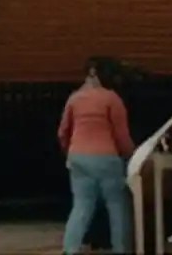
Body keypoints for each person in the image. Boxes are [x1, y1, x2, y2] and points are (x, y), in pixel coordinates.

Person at [58, 59, 136, 255]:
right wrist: (131, 156)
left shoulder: (74, 99)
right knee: (117, 205)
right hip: (107, 159)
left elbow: (63, 132)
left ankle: (70, 249)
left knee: (82, 205)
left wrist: (69, 152)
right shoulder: (112, 99)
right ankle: (121, 248)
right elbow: (121, 136)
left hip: (78, 157)